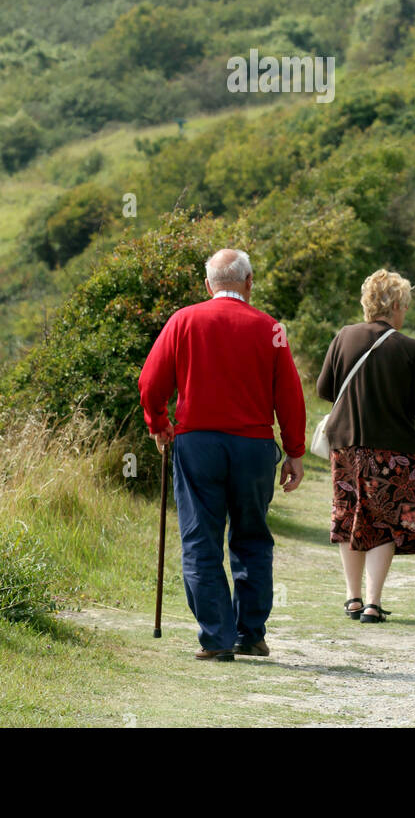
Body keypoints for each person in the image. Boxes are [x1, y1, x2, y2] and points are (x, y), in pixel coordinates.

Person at [138, 248, 306, 662]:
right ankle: (251, 635)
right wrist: (296, 452)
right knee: (252, 537)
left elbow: (150, 382)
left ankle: (216, 638)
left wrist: (159, 424)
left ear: (207, 284)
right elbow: (289, 395)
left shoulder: (183, 321)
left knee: (200, 539)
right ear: (249, 283)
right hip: (253, 446)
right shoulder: (271, 329)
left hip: (198, 445)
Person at [316, 269, 415, 624]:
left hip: (346, 446)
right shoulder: (409, 348)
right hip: (393, 449)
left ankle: (352, 597)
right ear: (397, 304)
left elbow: (325, 390)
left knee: (349, 514)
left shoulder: (344, 337)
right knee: (384, 522)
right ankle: (373, 602)